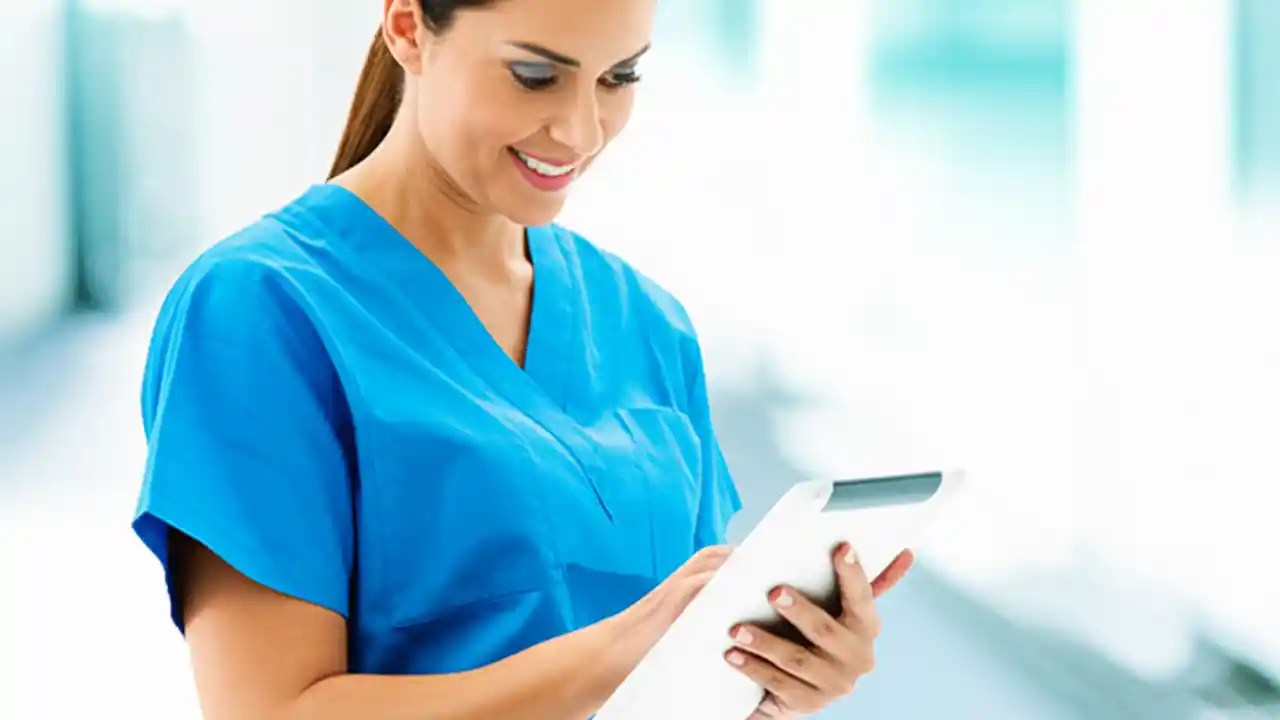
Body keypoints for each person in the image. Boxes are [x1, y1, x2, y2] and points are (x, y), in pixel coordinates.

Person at [131, 0, 916, 717]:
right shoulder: (261, 308)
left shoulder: (646, 319)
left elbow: (683, 672)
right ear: (407, 27)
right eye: (535, 75)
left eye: (620, 77)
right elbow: (268, 711)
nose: (581, 131)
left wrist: (770, 679)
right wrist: (612, 656)